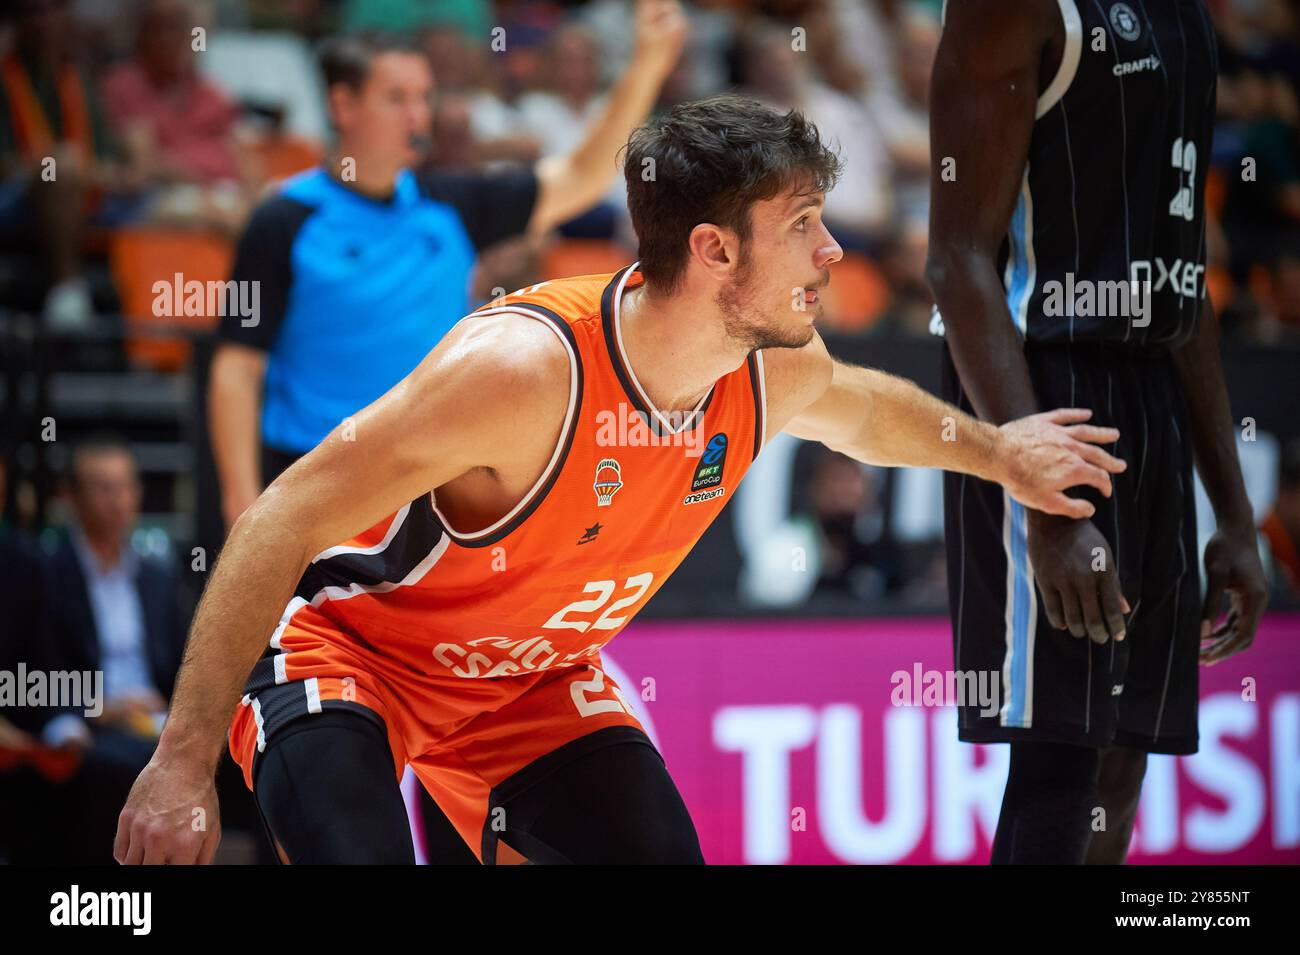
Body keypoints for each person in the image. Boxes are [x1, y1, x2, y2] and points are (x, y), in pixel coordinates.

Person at [115, 94, 1126, 865]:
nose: (833, 250)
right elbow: (281, 515)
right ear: (713, 249)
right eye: (806, 222)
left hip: (528, 682)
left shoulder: (769, 369)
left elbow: (864, 410)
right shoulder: (521, 371)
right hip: (353, 655)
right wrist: (181, 757)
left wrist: (998, 453)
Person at [926, 0, 1268, 865]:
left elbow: (1183, 286)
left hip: (1148, 380)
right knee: (1061, 758)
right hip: (1038, 386)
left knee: (1123, 758)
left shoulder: (1188, 19)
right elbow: (955, 259)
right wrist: (1039, 492)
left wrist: (1234, 513)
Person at [209, 0, 688, 534]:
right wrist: (240, 500)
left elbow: (580, 176)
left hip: (425, 488)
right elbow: (237, 367)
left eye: (423, 98)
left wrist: (645, 65)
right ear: (342, 105)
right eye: (396, 98)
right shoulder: (283, 220)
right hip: (310, 484)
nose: (419, 116)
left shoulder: (451, 205)